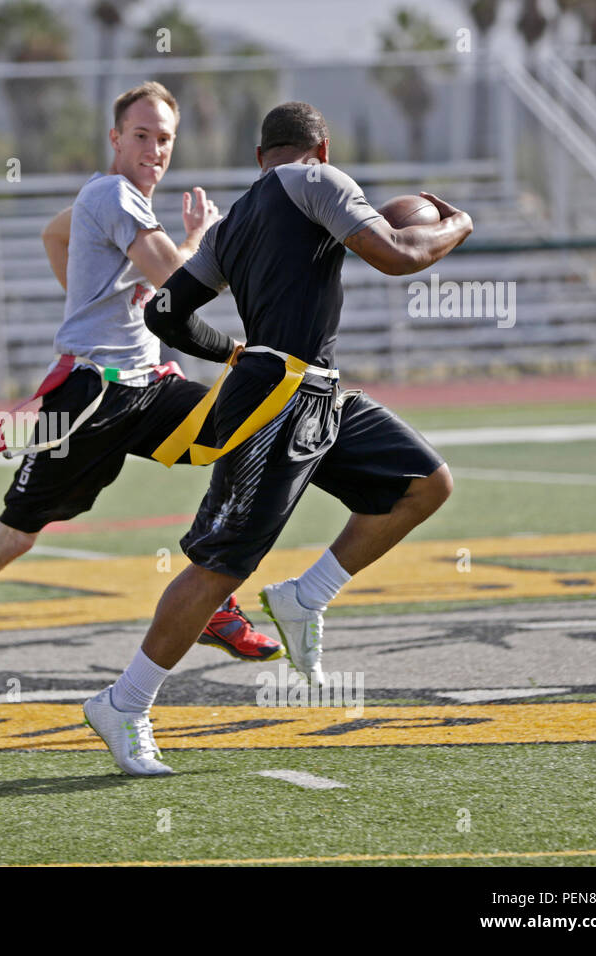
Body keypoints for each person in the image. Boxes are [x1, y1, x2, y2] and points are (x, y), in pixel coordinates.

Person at [0, 82, 281, 738]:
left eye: (164, 138)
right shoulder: (112, 194)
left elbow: (54, 235)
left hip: (144, 385)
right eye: (141, 135)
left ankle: (213, 598)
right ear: (115, 139)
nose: (154, 148)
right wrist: (202, 243)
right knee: (15, 533)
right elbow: (176, 283)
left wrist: (85, 291)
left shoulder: (115, 201)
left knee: (244, 434)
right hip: (88, 398)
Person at [83, 101, 468, 775]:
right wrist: (459, 225)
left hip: (310, 389)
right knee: (220, 565)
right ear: (320, 152)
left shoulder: (235, 222)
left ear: (262, 158)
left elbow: (168, 312)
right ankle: (125, 701)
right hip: (278, 398)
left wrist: (232, 352)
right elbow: (402, 255)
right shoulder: (319, 181)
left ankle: (305, 595)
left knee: (424, 483)